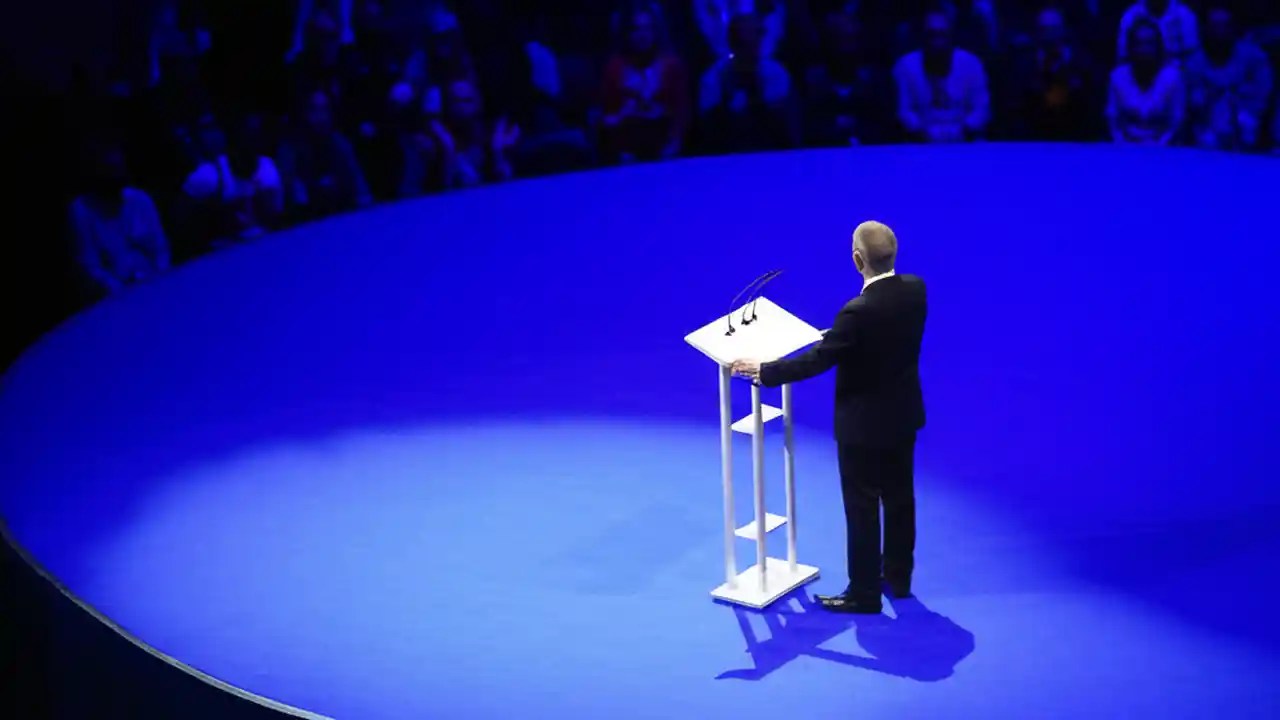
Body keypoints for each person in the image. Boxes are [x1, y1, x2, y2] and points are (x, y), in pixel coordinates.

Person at [731, 221, 927, 614]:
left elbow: (821, 359)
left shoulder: (857, 312)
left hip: (863, 428)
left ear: (857, 260)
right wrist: (839, 335)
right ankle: (898, 577)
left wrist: (765, 372)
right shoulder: (915, 289)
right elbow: (873, 338)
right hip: (902, 416)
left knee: (862, 507)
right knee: (900, 499)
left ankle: (864, 593)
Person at [892, 7, 990, 143]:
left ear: (951, 36)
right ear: (923, 36)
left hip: (965, 140)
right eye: (932, 34)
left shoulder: (971, 63)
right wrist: (922, 131)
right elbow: (904, 109)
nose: (937, 41)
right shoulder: (906, 65)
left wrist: (964, 130)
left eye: (942, 34)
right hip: (920, 142)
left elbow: (981, 108)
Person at [1108, 18, 1185, 145]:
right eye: (1139, 43)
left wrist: (1157, 150)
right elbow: (1113, 121)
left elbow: (1176, 123)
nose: (1144, 49)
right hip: (1125, 151)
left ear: (1159, 47)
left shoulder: (1173, 78)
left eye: (1149, 43)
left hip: (1163, 153)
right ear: (1131, 47)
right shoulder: (1118, 76)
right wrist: (1123, 148)